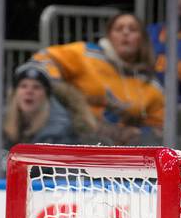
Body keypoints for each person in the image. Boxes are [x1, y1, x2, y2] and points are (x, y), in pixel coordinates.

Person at [31, 12, 164, 144]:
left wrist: (140, 133)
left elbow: (159, 126)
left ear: (142, 39)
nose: (125, 33)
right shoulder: (86, 54)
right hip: (73, 135)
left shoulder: (150, 84)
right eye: (118, 29)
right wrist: (58, 86)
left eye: (132, 29)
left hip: (121, 149)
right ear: (109, 36)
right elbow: (43, 58)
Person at [2, 62, 92, 151]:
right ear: (15, 93)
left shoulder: (63, 131)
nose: (29, 91)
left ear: (47, 96)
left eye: (36, 87)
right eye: (23, 86)